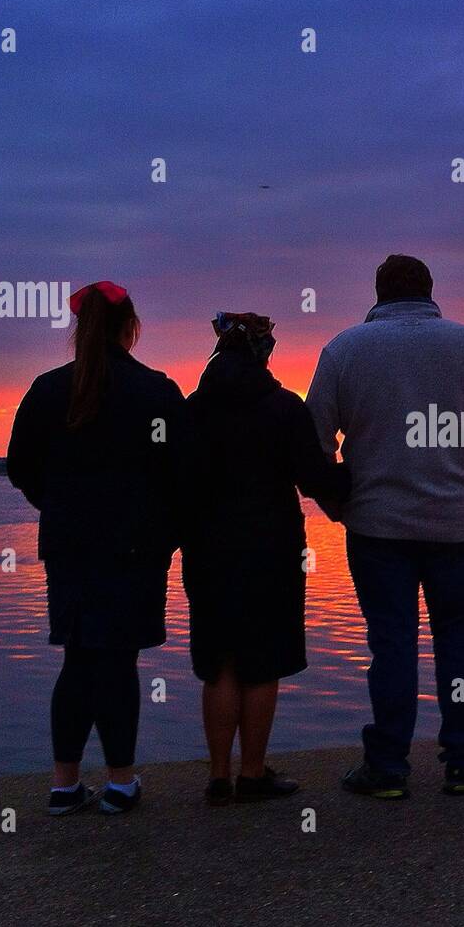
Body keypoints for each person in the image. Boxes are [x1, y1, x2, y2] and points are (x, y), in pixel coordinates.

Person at [305, 254, 464, 799]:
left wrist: (338, 500)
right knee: (459, 643)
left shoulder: (345, 349)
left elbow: (313, 437)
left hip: (376, 526)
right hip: (453, 527)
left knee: (391, 645)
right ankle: (462, 762)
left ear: (378, 293)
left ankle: (388, 766)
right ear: (430, 290)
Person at [7, 281, 184, 816]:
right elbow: (183, 471)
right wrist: (161, 530)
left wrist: (58, 505)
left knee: (78, 659)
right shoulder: (155, 390)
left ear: (79, 328)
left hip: (69, 546)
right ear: (130, 326)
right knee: (118, 662)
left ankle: (64, 785)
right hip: (134, 548)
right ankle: (120, 782)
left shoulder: (47, 390)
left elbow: (20, 467)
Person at [181, 312, 348, 805]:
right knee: (262, 661)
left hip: (207, 551)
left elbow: (176, 484)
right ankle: (252, 774)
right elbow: (316, 479)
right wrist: (360, 471)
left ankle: (217, 777)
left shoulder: (192, 411)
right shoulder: (283, 407)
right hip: (272, 550)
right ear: (265, 354)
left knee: (220, 663)